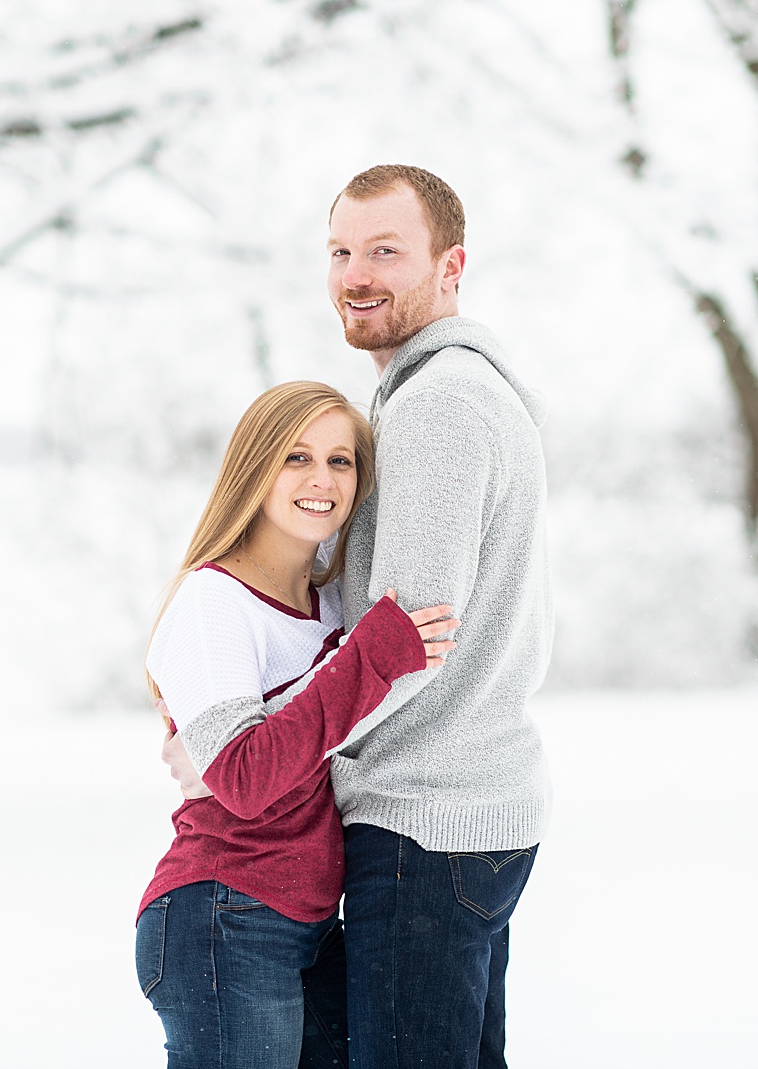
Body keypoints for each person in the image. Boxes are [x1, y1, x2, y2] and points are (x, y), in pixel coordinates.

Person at [167, 164, 552, 1067]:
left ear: (451, 265)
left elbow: (409, 636)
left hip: (425, 816)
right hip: (471, 805)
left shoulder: (439, 405)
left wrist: (255, 748)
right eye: (341, 251)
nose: (356, 274)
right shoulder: (447, 395)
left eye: (386, 250)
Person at [135, 380, 461, 1069]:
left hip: (311, 923)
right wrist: (368, 658)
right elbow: (246, 779)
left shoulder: (332, 604)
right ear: (255, 467)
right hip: (225, 914)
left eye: (341, 461)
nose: (322, 479)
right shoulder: (214, 600)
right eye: (296, 457)